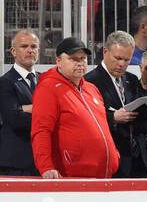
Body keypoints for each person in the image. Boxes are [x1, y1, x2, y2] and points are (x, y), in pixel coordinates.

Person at [30, 37, 118, 179]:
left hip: (104, 175)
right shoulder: (48, 88)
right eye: (73, 59)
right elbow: (41, 130)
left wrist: (114, 155)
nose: (80, 63)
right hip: (72, 176)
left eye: (83, 58)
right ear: (58, 61)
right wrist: (46, 166)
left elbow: (103, 127)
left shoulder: (91, 89)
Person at [84, 29, 147, 178]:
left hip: (136, 156)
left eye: (127, 60)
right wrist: (113, 118)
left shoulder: (131, 79)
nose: (121, 64)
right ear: (105, 52)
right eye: (118, 58)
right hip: (108, 156)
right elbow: (86, 118)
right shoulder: (89, 81)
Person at [0, 30, 41, 176]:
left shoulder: (46, 80)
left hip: (42, 160)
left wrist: (25, 108)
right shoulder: (5, 82)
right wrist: (46, 114)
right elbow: (15, 119)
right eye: (24, 46)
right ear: (13, 51)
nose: (30, 50)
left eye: (34, 46)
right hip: (16, 161)